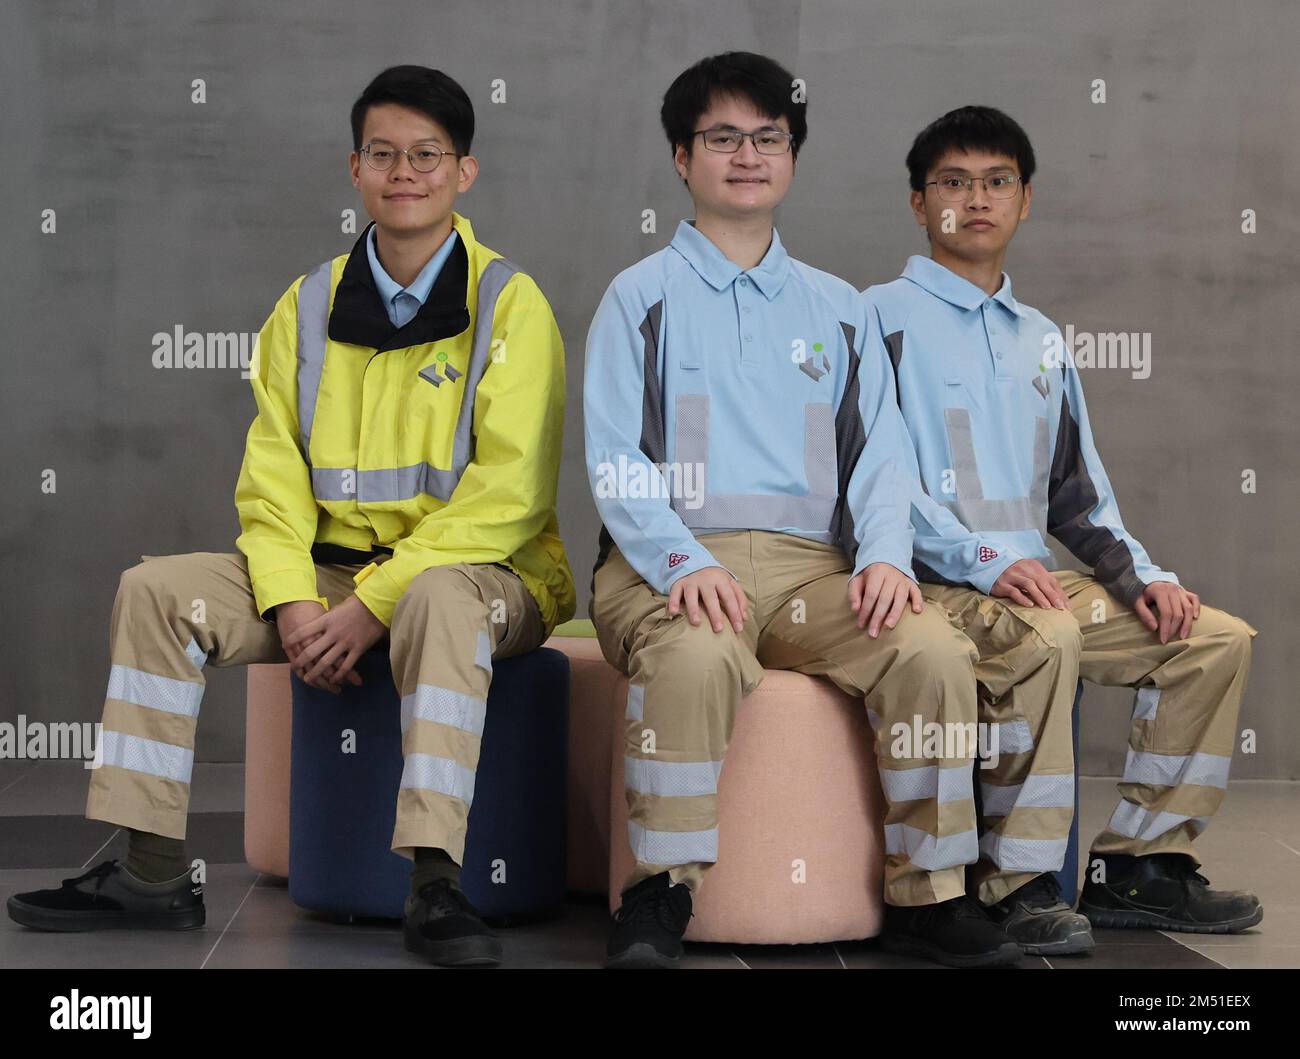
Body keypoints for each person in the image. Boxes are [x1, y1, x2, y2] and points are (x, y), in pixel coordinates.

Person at [6, 65, 576, 968]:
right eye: (383, 153)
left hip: (487, 578)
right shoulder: (305, 307)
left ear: (463, 172)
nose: (405, 172)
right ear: (355, 168)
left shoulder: (510, 306)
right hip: (324, 573)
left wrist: (374, 602)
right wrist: (294, 602)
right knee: (156, 590)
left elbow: (506, 499)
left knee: (435, 601)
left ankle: (434, 884)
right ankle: (150, 873)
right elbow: (269, 486)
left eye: (428, 154)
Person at [584, 52, 1084, 970]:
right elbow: (615, 461)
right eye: (722, 137)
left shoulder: (839, 309)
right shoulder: (639, 297)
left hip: (814, 574)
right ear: (681, 157)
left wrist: (887, 557)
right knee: (695, 655)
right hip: (668, 565)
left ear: (792, 159)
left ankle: (927, 896)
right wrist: (682, 563)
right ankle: (660, 893)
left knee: (931, 645)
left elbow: (881, 463)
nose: (746, 154)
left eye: (767, 138)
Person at [861, 104, 1261, 936]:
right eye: (954, 183)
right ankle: (1018, 886)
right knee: (1047, 635)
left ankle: (1138, 868)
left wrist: (1142, 578)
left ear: (1025, 200)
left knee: (1213, 638)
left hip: (1033, 579)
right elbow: (869, 478)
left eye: (997, 182)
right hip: (930, 585)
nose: (977, 199)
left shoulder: (1042, 339)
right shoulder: (874, 320)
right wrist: (981, 560)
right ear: (916, 202)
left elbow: (1076, 495)